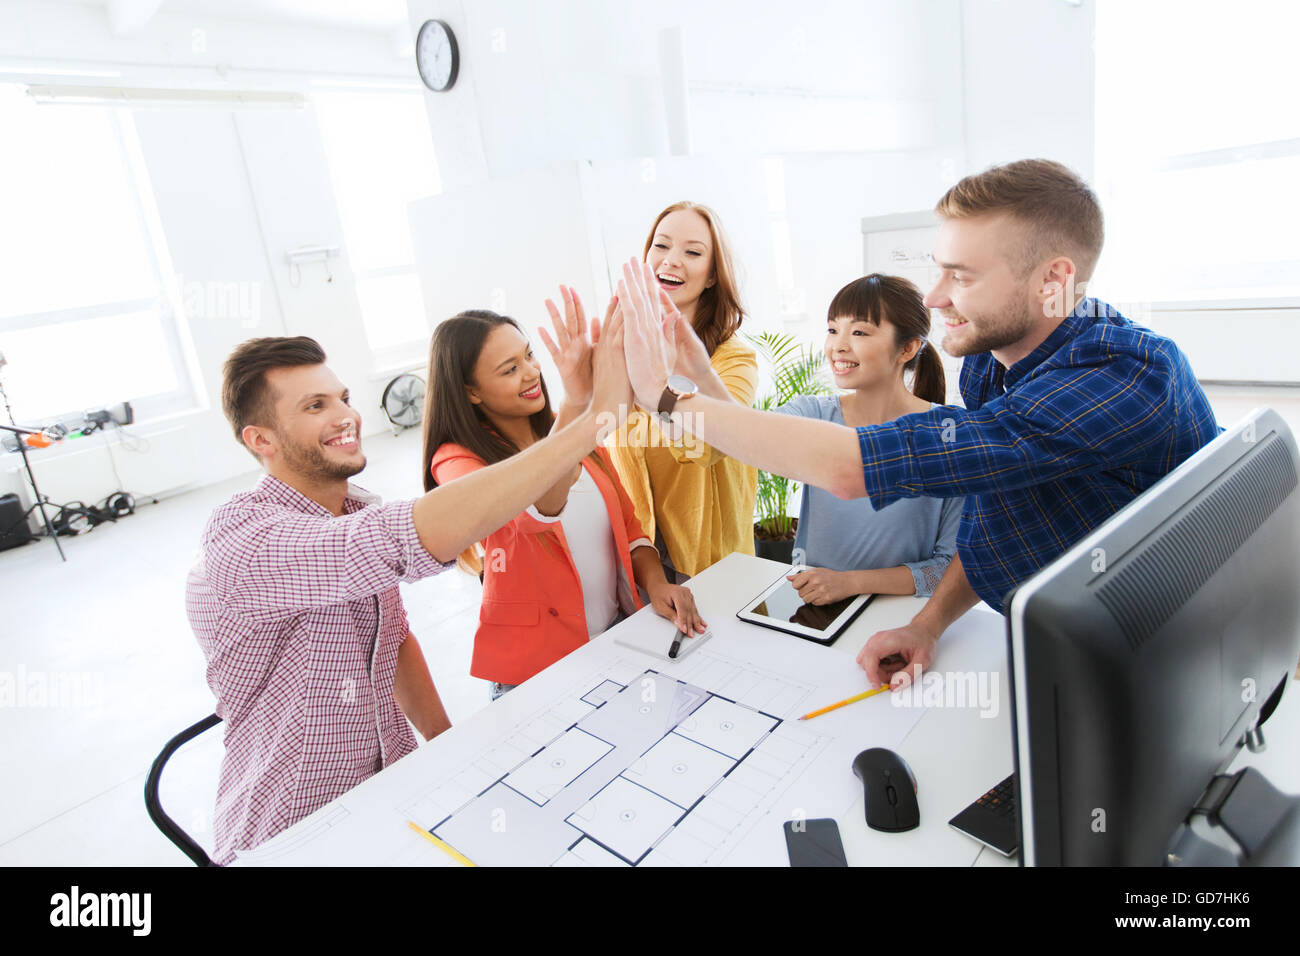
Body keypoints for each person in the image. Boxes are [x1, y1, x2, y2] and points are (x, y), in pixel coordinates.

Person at [615, 158, 1220, 690]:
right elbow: (991, 518)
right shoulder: (991, 362)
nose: (933, 297)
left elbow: (854, 467)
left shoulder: (1126, 377)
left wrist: (666, 400)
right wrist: (928, 626)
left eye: (962, 276)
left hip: (1159, 660)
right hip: (1051, 638)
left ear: (1053, 281)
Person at [187, 328, 633, 863]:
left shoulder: (357, 507)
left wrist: (446, 745)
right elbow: (406, 537)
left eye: (344, 399)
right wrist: (587, 416)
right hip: (291, 831)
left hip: (390, 794)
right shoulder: (245, 537)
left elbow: (392, 640)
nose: (345, 416)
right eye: (314, 406)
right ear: (262, 440)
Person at [423, 292, 706, 699]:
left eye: (529, 355)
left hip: (612, 643)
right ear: (471, 392)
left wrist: (659, 584)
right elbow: (536, 515)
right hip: (535, 676)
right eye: (509, 369)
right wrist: (581, 406)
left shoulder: (568, 429)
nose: (531, 372)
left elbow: (629, 528)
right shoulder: (455, 462)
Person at [775, 274, 962, 605]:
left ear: (908, 347)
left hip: (899, 619)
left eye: (859, 332)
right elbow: (748, 432)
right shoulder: (813, 413)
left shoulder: (950, 435)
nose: (838, 346)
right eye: (833, 330)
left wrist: (850, 583)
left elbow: (944, 570)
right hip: (812, 611)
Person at [607, 201, 757, 581]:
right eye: (661, 245)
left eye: (692, 252)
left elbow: (707, 447)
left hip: (708, 561)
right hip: (639, 554)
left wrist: (659, 391)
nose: (671, 260)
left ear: (711, 276)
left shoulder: (734, 361)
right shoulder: (623, 345)